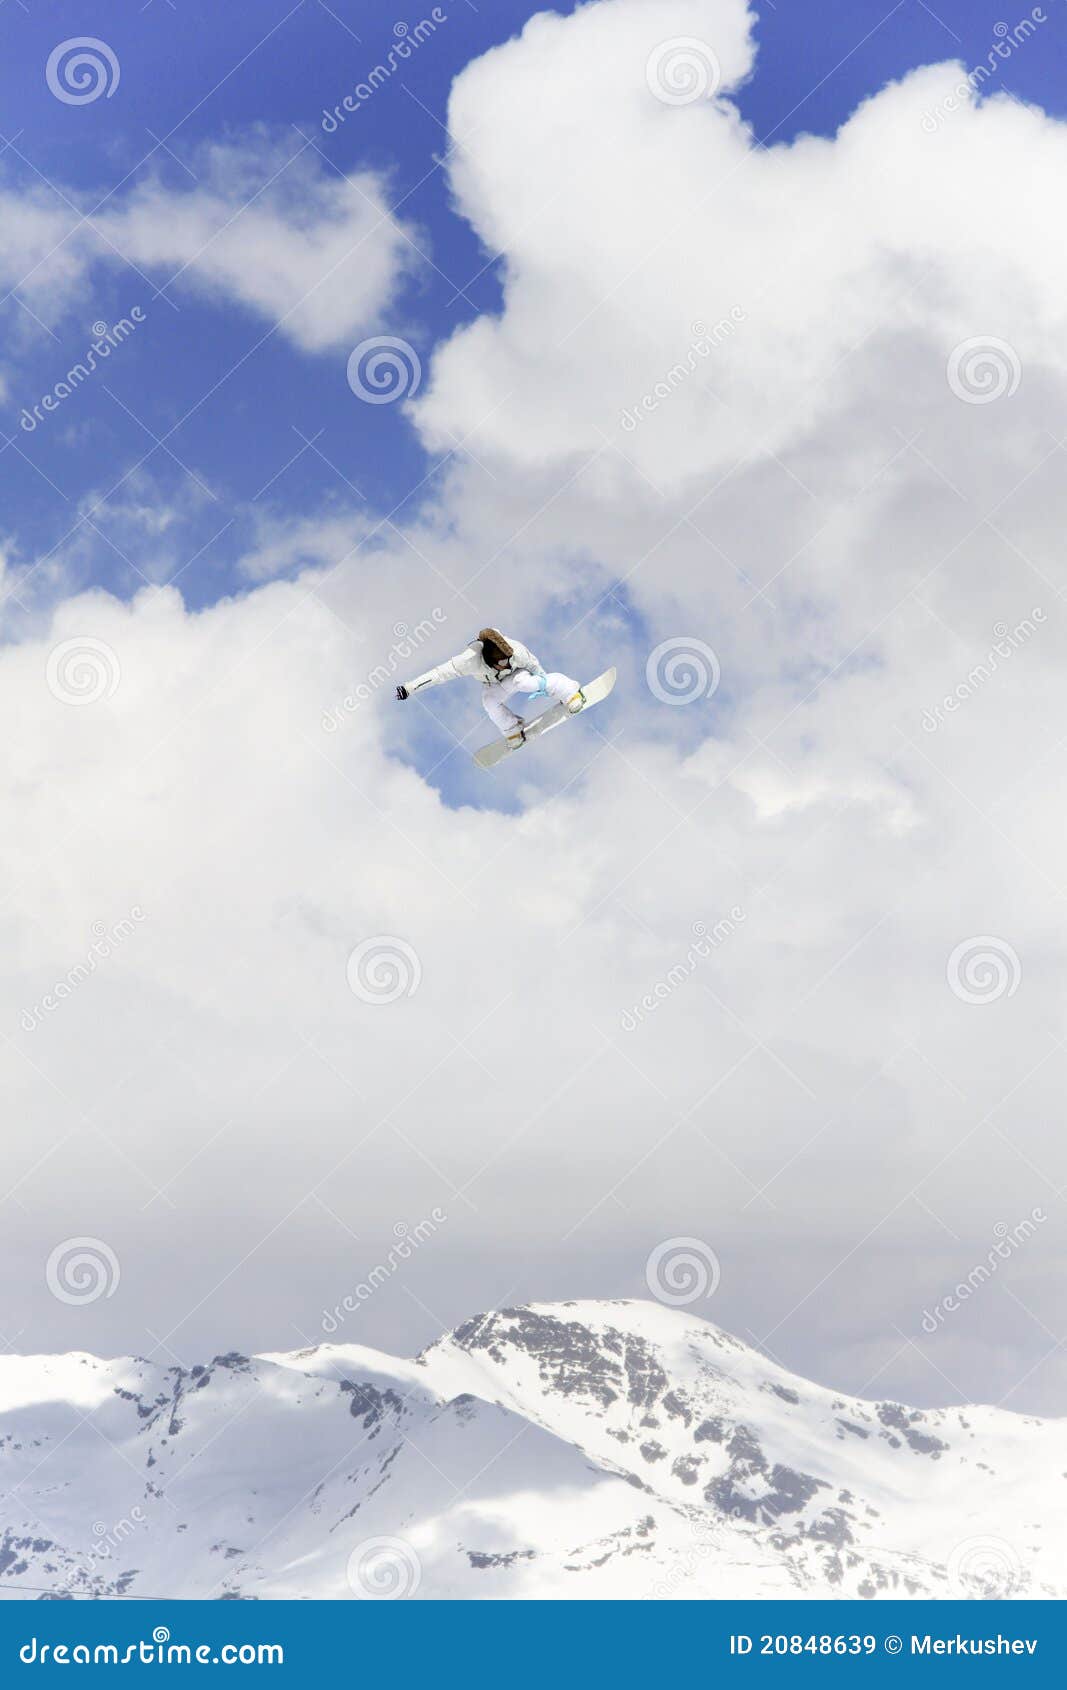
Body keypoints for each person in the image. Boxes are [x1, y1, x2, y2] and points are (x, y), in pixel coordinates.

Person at [396, 629, 584, 745]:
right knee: (488, 700)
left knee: (523, 682)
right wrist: (408, 688)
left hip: (518, 677)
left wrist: (545, 685)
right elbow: (438, 674)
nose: (508, 663)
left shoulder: (515, 651)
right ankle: (512, 729)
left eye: (509, 659)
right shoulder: (469, 661)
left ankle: (568, 690)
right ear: (490, 660)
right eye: (504, 662)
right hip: (494, 684)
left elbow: (535, 667)